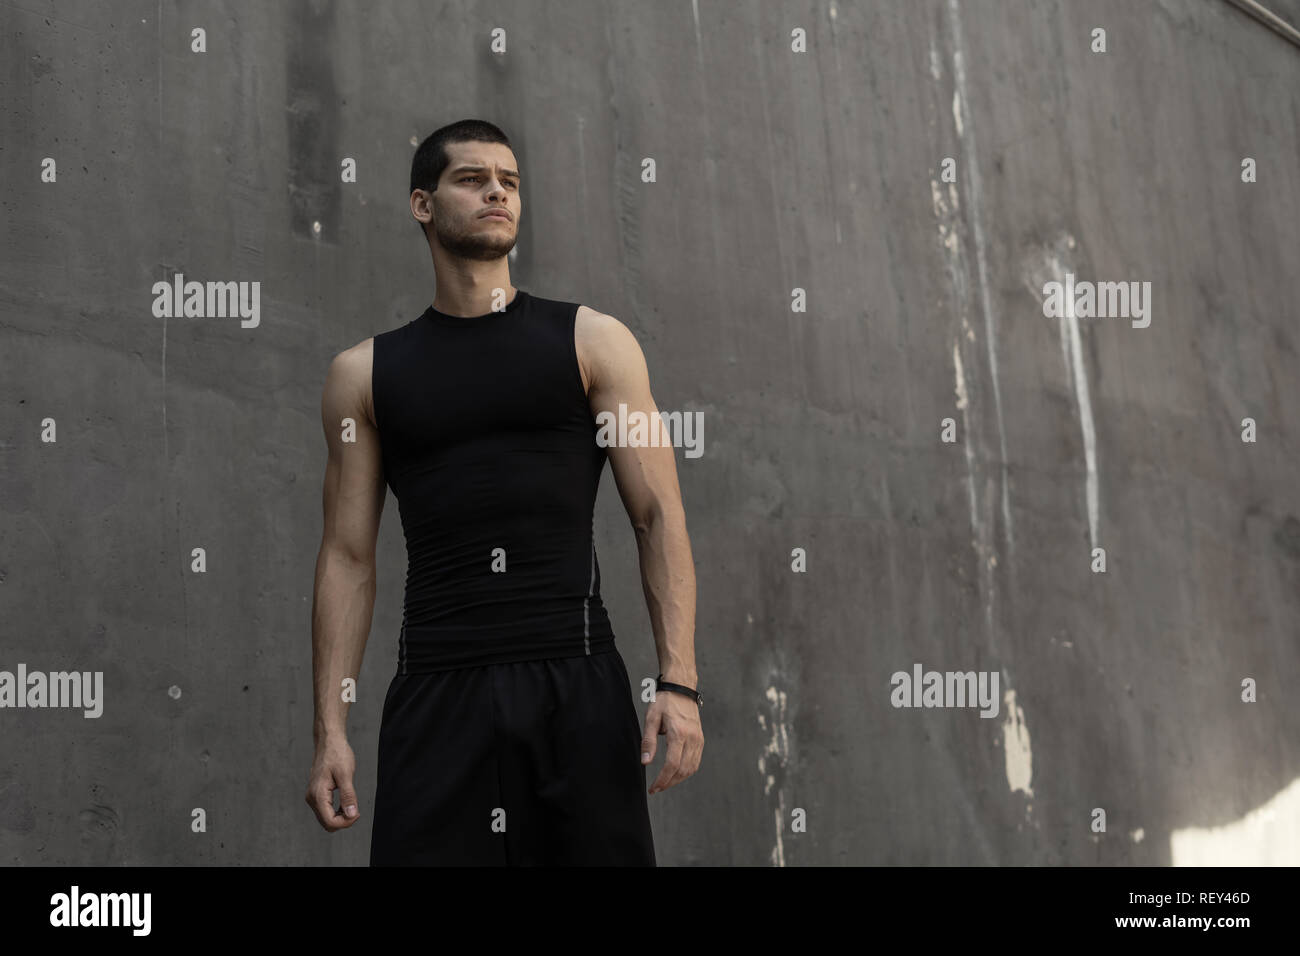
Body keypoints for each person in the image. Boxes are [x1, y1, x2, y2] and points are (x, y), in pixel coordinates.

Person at [304, 119, 702, 865]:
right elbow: (348, 556)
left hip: (575, 683)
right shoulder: (364, 375)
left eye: (509, 182)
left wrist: (678, 682)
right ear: (422, 204)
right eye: (472, 179)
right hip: (437, 690)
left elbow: (656, 515)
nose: (496, 191)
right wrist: (330, 730)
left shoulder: (592, 342)